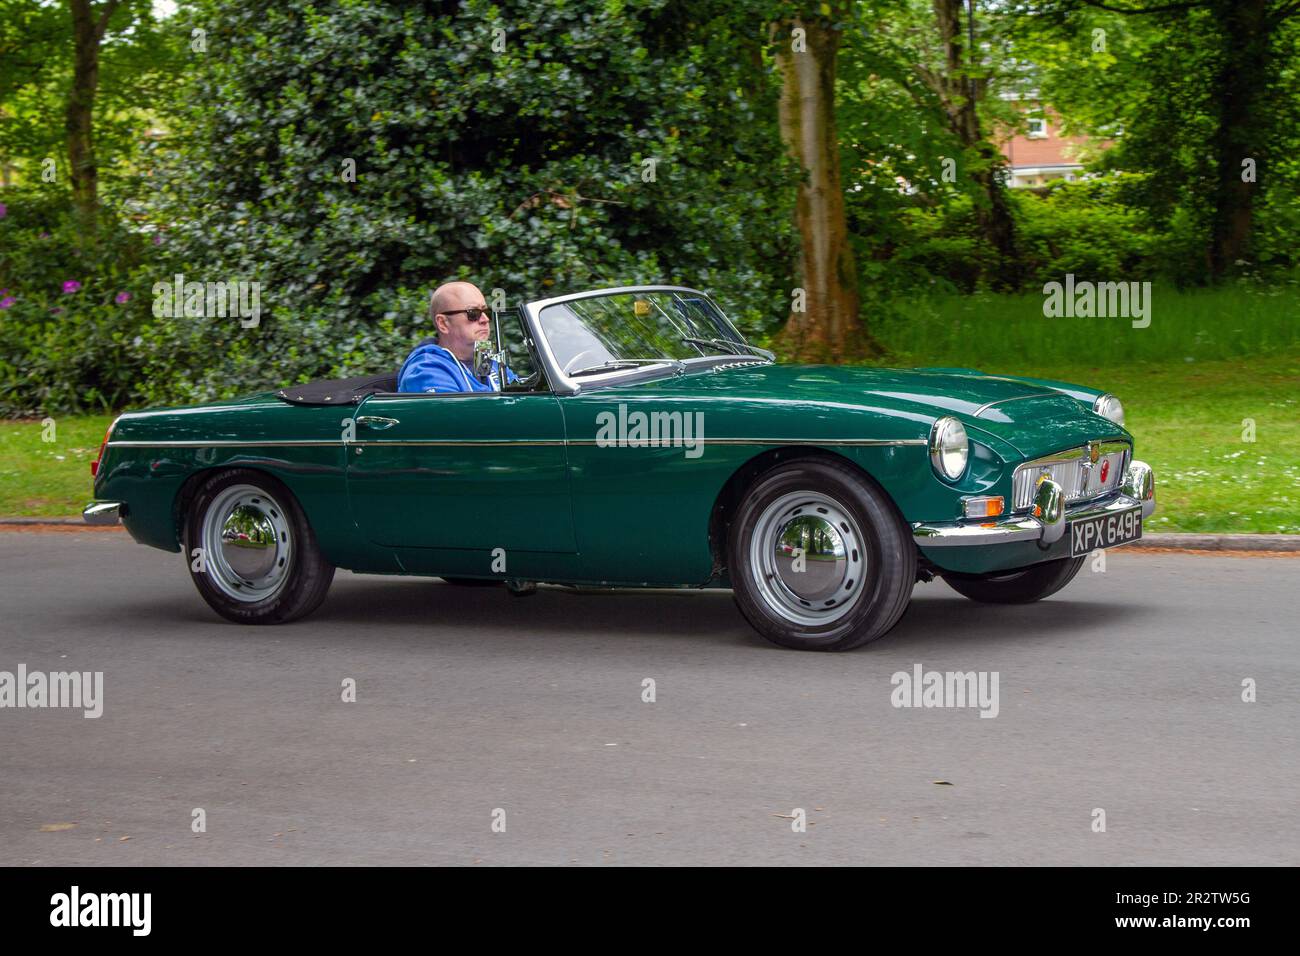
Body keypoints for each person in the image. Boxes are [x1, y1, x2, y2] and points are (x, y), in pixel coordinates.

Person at [397, 281, 516, 393]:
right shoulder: (426, 370)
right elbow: (458, 414)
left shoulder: (489, 360)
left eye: (486, 311)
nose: (485, 319)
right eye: (473, 313)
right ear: (443, 323)